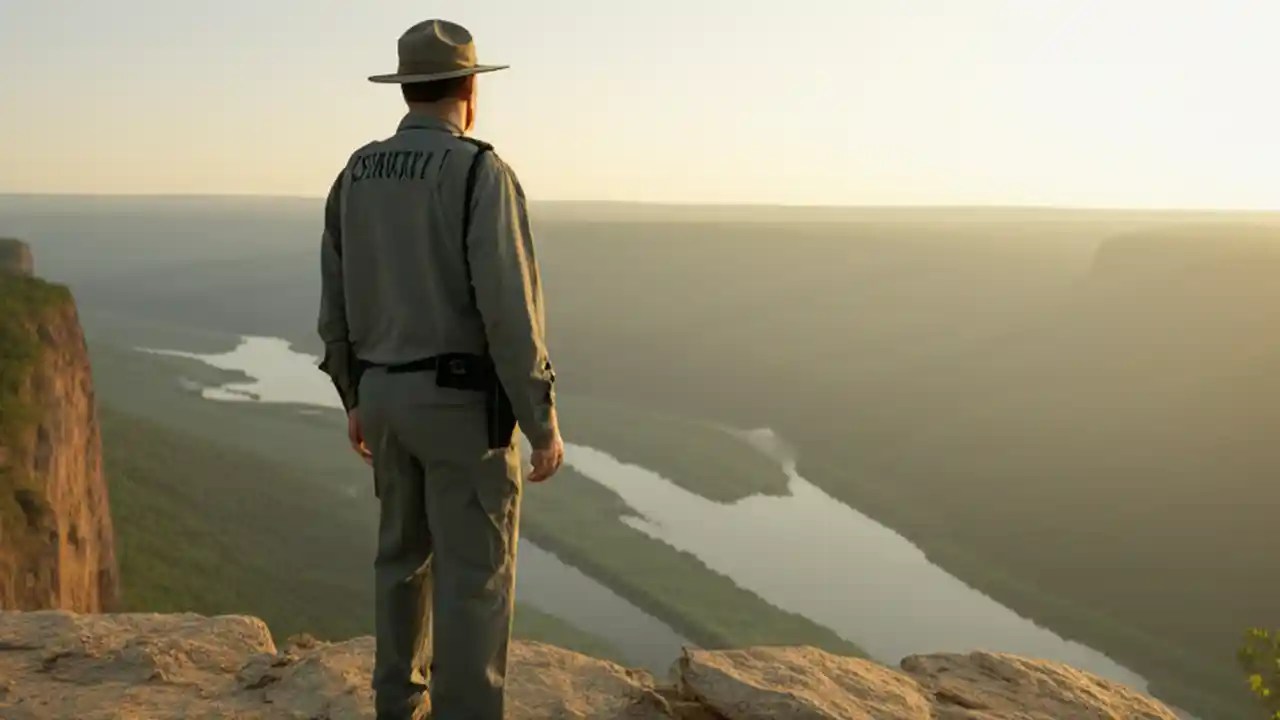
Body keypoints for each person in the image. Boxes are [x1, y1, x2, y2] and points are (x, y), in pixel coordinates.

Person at [316, 18, 564, 720]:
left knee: (400, 560)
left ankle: (396, 705)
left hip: (383, 397)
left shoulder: (354, 173)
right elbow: (510, 312)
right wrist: (540, 417)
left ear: (408, 88)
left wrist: (353, 396)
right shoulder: (481, 173)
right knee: (474, 578)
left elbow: (334, 303)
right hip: (460, 407)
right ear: (469, 90)